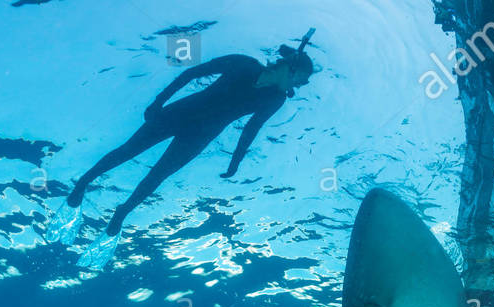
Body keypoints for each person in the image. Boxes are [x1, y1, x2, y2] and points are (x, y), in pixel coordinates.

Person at [47, 32, 315, 267]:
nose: (299, 88)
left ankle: (121, 213)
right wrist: (158, 102)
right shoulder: (242, 63)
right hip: (178, 113)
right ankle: (81, 185)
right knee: (127, 151)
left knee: (158, 175)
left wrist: (235, 163)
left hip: (201, 135)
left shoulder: (275, 98)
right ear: (291, 69)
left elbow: (251, 129)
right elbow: (191, 74)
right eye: (301, 81)